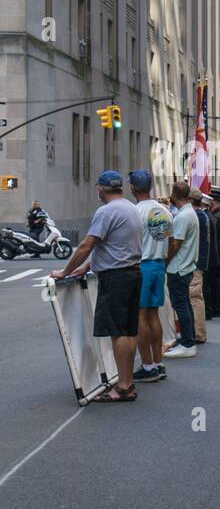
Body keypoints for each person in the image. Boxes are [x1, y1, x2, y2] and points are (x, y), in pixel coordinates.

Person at [50, 172, 143, 401]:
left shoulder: (106, 211)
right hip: (132, 273)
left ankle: (123, 386)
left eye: (98, 188)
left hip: (116, 279)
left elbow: (86, 245)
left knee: (118, 331)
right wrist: (88, 267)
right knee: (129, 331)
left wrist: (66, 271)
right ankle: (127, 382)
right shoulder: (130, 208)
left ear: (101, 188)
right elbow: (115, 246)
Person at [128, 170, 173, 384]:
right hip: (159, 264)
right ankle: (158, 362)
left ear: (132, 188)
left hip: (143, 265)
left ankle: (147, 366)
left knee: (140, 315)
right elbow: (171, 241)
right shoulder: (164, 210)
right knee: (154, 314)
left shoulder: (134, 212)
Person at [163, 181, 200, 359]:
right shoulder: (189, 213)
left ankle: (187, 343)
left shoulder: (183, 216)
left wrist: (165, 261)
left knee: (181, 305)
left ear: (175, 195)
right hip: (185, 266)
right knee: (184, 304)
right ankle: (188, 338)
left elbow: (175, 243)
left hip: (178, 267)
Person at [187, 187, 211, 341]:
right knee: (195, 298)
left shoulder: (197, 216)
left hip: (195, 262)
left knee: (194, 297)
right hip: (198, 261)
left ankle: (198, 333)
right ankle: (197, 331)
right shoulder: (202, 215)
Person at [205, 190, 220, 319]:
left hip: (216, 252)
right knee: (216, 283)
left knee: (213, 283)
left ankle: (215, 307)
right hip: (219, 251)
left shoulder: (216, 216)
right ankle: (218, 307)